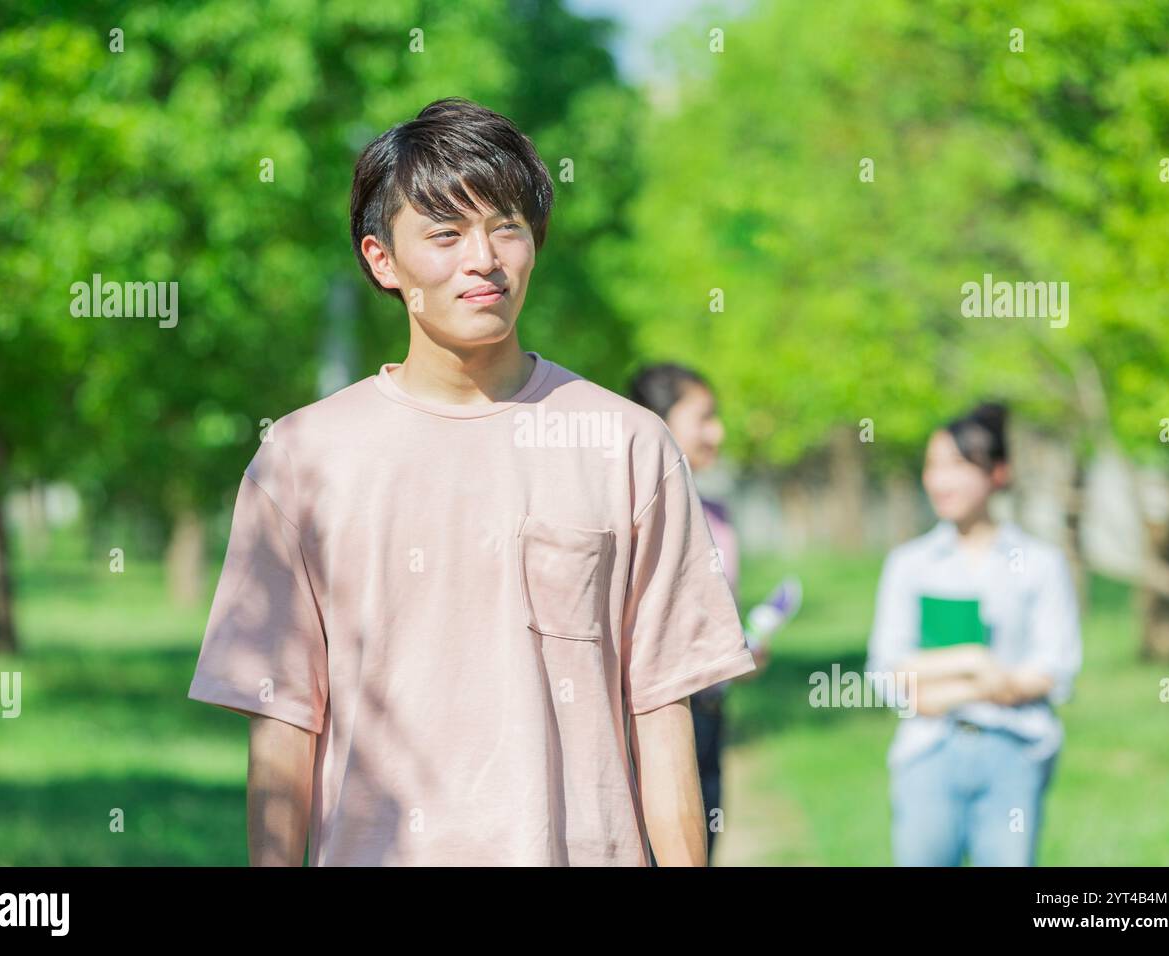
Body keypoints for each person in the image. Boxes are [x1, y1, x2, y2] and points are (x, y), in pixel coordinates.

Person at [186, 98, 756, 866]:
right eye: (446, 234)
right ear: (381, 260)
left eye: (506, 226)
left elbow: (662, 706)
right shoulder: (303, 458)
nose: (482, 258)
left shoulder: (628, 446)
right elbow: (283, 722)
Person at [865, 402, 1082, 866]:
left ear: (997, 472)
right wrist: (974, 661)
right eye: (933, 466)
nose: (941, 480)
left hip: (1015, 749)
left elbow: (1054, 668)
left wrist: (939, 685)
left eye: (959, 465)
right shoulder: (910, 563)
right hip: (927, 750)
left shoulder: (1040, 563)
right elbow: (887, 670)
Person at [629, 363, 801, 864]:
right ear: (657, 420)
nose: (717, 432)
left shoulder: (720, 518)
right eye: (704, 418)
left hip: (710, 713)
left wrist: (740, 652)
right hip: (651, 720)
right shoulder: (627, 508)